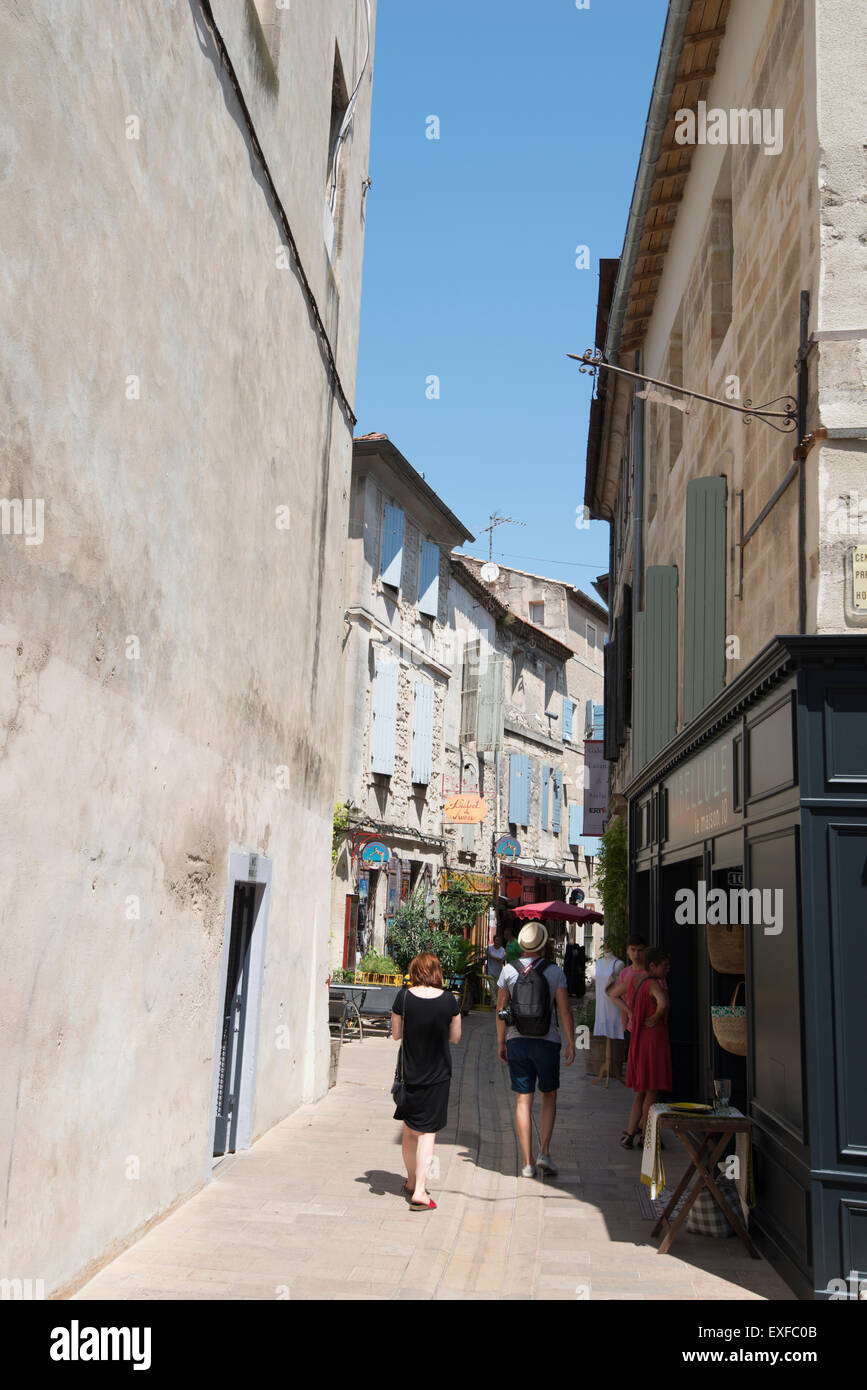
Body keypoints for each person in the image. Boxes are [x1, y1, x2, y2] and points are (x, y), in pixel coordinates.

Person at [496, 922, 575, 1178]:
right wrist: (571, 1041)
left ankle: (527, 1163)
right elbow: (564, 1010)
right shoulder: (555, 972)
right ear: (543, 944)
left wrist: (500, 1041)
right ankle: (544, 1152)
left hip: (517, 1040)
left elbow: (500, 1012)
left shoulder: (508, 970)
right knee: (548, 1095)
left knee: (522, 1100)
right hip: (547, 1041)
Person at [391, 952, 462, 1210]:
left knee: (410, 1130)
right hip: (438, 1075)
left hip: (410, 1074)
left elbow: (396, 1034)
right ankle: (420, 1190)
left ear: (414, 971)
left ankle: (411, 1181)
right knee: (428, 1133)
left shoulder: (404, 997)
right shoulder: (449, 1001)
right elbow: (456, 1037)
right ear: (437, 973)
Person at [620, 947, 672, 1149]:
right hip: (653, 1039)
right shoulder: (654, 984)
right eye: (665, 965)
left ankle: (630, 1133)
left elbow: (615, 993)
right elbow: (663, 1003)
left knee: (641, 1090)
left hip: (638, 1037)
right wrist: (657, 1017)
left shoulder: (635, 980)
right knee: (652, 1089)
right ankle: (646, 1135)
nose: (668, 969)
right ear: (653, 966)